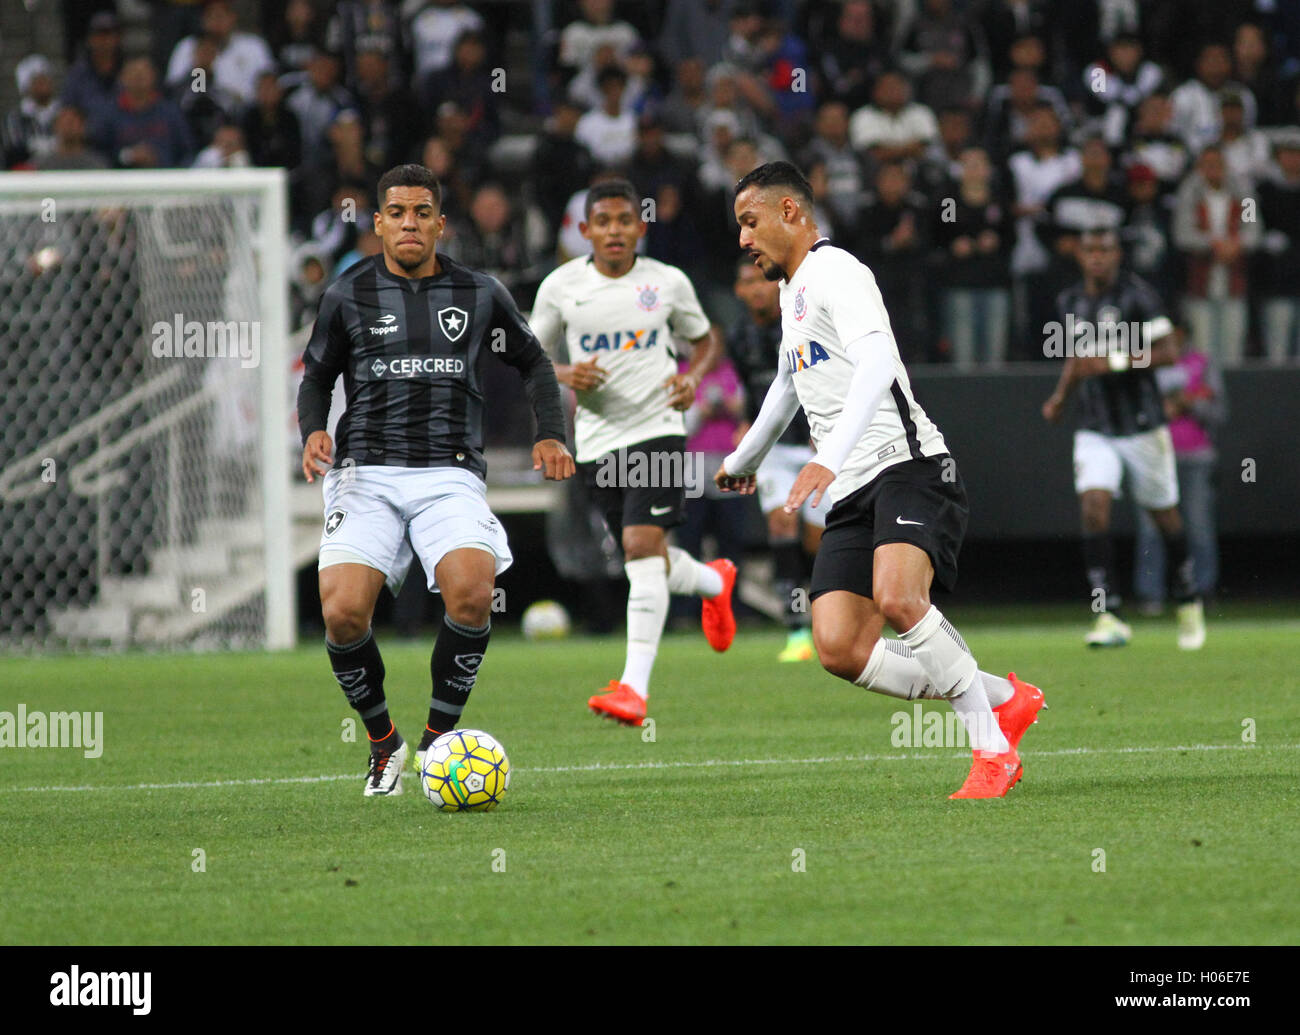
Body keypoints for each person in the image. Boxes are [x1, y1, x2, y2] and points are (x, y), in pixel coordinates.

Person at [719, 162, 1044, 800]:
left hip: (908, 466)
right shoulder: (792, 291)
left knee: (899, 600)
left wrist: (828, 457)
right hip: (851, 489)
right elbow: (788, 386)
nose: (743, 240)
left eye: (749, 222)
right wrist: (743, 461)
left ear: (790, 213)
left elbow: (876, 362)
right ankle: (1003, 697)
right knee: (839, 647)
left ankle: (991, 751)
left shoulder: (839, 271)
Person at [297, 163, 574, 796]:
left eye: (422, 212)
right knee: (342, 615)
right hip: (365, 470)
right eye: (397, 213)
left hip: (448, 473)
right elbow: (316, 375)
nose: (410, 223)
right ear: (379, 224)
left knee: (473, 596)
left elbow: (533, 361)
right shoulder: (347, 294)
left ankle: (434, 744)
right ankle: (381, 740)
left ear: (441, 223)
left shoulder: (479, 293)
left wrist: (550, 432)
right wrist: (313, 429)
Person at [529, 178, 735, 728]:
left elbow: (706, 338)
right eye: (604, 222)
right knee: (642, 557)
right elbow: (528, 355)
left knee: (642, 545)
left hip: (660, 427)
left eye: (625, 221)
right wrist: (566, 373)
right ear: (585, 231)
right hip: (597, 441)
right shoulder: (561, 288)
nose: (615, 231)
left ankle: (633, 689)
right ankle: (716, 582)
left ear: (640, 227)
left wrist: (694, 376)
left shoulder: (667, 282)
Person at [1041, 228, 1207, 651]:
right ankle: (1109, 612)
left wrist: (1113, 361)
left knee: (1164, 515)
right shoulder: (1069, 302)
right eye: (1090, 250)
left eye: (1105, 251)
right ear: (1080, 255)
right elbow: (1079, 362)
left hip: (1142, 424)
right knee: (1094, 508)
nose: (1097, 258)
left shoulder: (1139, 296)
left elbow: (1170, 351)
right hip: (1094, 426)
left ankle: (1188, 598)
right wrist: (1060, 399)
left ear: (1117, 256)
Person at [727, 257, 826, 662]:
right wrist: (746, 425)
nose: (756, 289)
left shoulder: (801, 326)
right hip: (774, 449)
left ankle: (831, 615)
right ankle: (797, 630)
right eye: (747, 281)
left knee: (817, 540)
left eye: (761, 281)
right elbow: (755, 392)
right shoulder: (739, 337)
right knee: (781, 521)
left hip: (817, 446)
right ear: (738, 291)